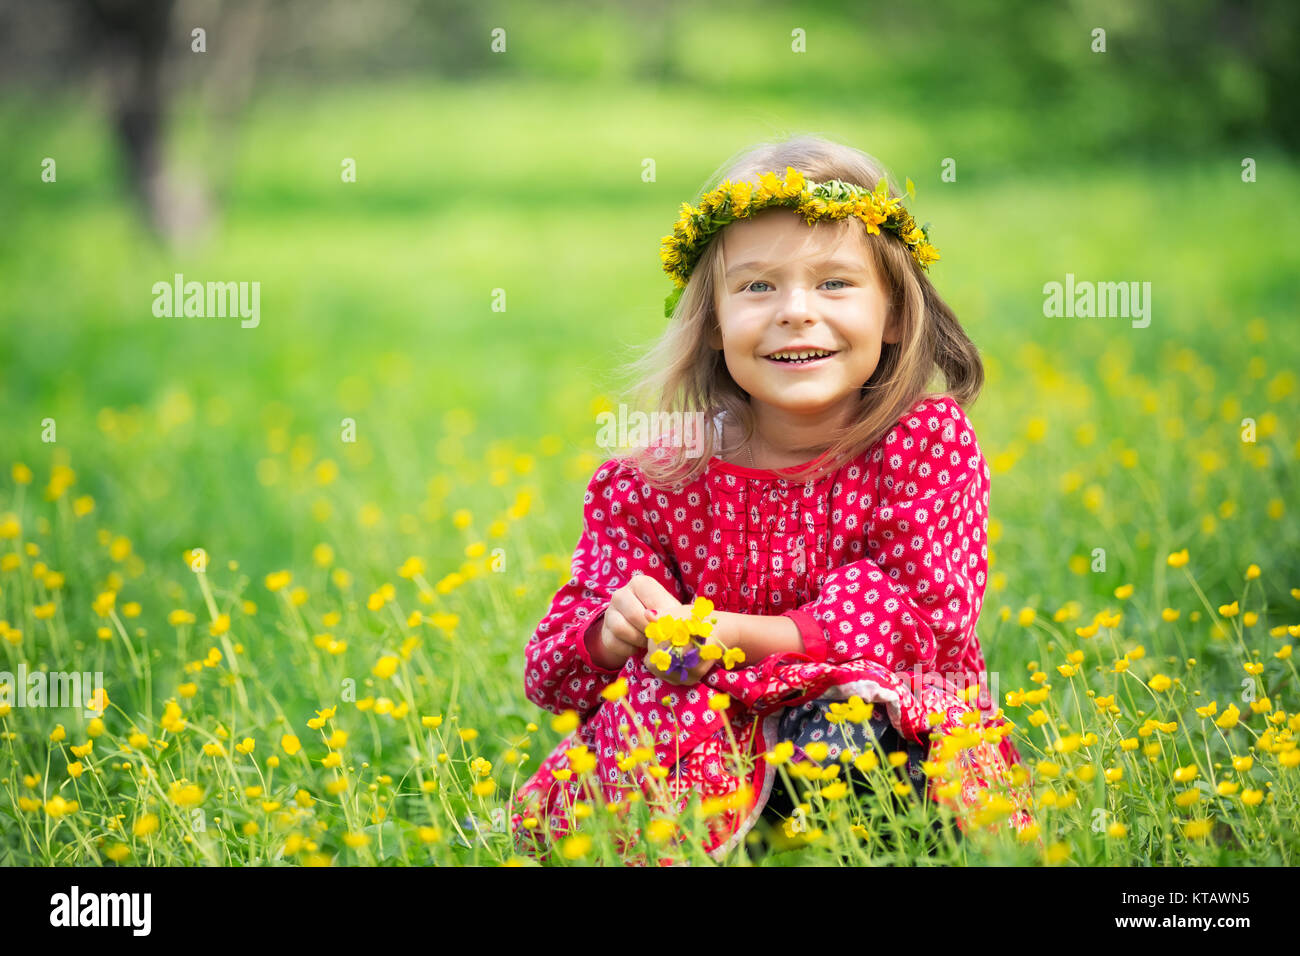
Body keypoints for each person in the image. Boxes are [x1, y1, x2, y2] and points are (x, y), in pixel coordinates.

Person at [510, 135, 1035, 864]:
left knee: (849, 733)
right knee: (632, 780)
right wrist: (613, 628)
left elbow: (920, 616)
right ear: (714, 321)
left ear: (893, 313)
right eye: (757, 286)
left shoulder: (922, 444)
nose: (795, 311)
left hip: (868, 737)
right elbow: (551, 673)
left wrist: (729, 633)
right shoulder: (653, 481)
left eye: (834, 283)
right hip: (697, 755)